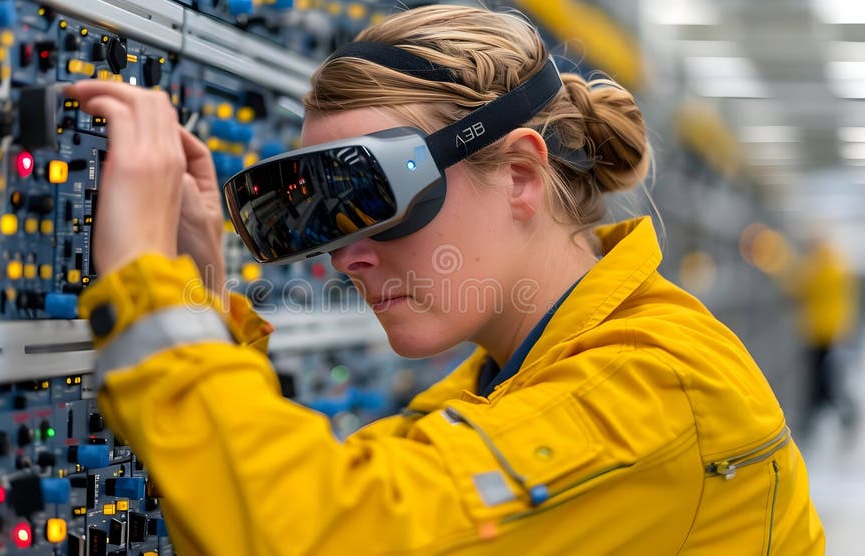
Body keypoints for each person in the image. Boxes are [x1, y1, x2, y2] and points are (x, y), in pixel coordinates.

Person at [66, 5, 824, 554]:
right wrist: (199, 301)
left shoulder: (657, 388)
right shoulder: (494, 388)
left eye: (375, 200)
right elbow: (281, 511)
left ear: (520, 175)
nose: (348, 258)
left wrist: (143, 286)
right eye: (329, 223)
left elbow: (322, 535)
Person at [793, 236, 860, 435]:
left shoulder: (823, 270)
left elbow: (799, 288)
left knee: (825, 382)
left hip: (824, 334)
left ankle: (837, 418)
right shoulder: (838, 268)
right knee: (825, 381)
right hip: (831, 333)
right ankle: (831, 419)